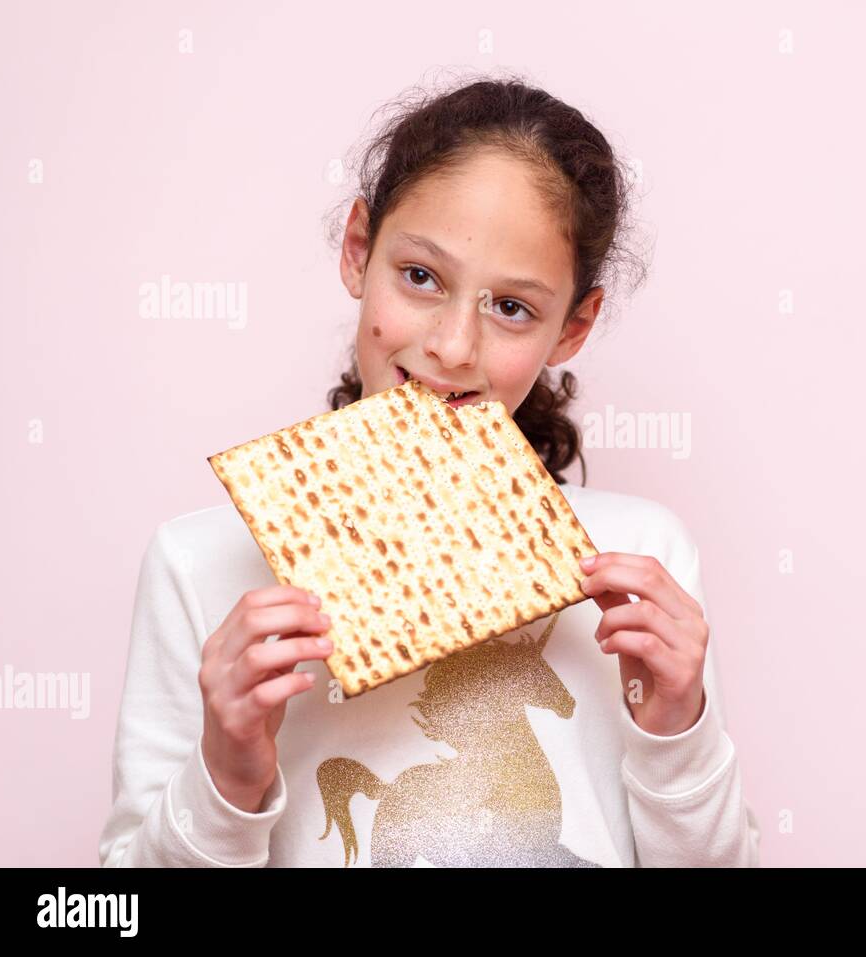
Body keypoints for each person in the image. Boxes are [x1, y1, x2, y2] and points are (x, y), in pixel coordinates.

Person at [98, 74, 761, 867]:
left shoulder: (637, 561)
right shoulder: (200, 566)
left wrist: (676, 725)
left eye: (511, 306)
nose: (452, 346)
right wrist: (227, 770)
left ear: (573, 327)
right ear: (358, 251)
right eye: (420, 277)